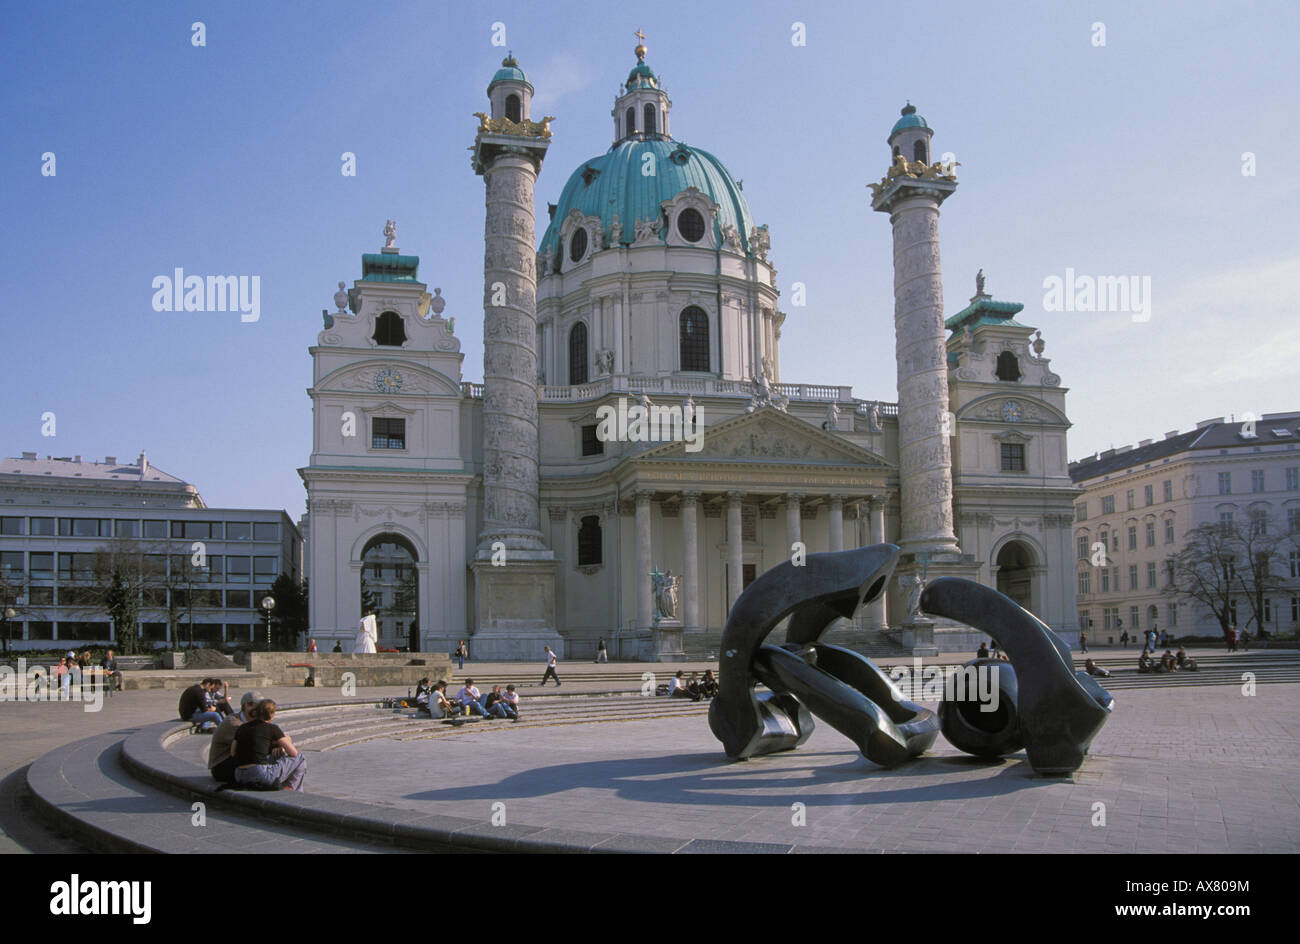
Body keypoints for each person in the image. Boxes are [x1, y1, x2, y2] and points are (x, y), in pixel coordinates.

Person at [232, 699, 306, 791]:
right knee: (300, 757)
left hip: (239, 775)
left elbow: (232, 752)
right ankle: (292, 789)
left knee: (274, 757)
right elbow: (293, 753)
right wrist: (282, 745)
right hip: (260, 775)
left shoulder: (242, 727)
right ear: (271, 714)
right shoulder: (272, 728)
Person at [209, 691, 261, 784]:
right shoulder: (233, 722)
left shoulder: (254, 721)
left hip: (236, 760)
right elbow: (254, 745)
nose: (260, 710)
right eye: (256, 706)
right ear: (246, 706)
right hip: (221, 766)